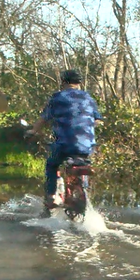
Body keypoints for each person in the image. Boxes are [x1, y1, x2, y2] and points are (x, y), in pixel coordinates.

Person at [26, 69, 103, 209]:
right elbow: (98, 121)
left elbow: (44, 118)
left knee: (51, 165)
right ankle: (83, 189)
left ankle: (51, 197)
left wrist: (33, 131)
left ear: (63, 82)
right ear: (79, 83)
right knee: (83, 161)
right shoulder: (88, 98)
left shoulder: (58, 98)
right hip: (86, 145)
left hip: (65, 144)